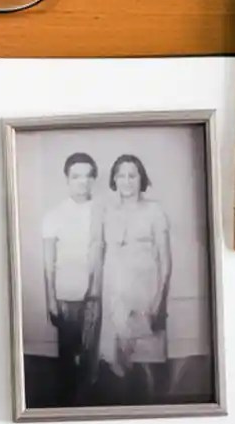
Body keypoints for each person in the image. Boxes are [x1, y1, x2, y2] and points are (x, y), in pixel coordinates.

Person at [97, 154, 172, 405]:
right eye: (121, 175)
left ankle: (154, 414)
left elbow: (165, 260)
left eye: (133, 174)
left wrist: (159, 299)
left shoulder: (155, 210)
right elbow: (100, 253)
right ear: (114, 180)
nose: (127, 181)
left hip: (145, 290)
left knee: (146, 358)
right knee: (116, 360)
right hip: (114, 289)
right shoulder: (107, 212)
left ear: (142, 179)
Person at [41, 152, 102, 407]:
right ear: (67, 179)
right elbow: (48, 263)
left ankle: (89, 407)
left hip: (97, 294)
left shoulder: (102, 212)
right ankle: (66, 407)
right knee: (68, 356)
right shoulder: (54, 215)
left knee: (91, 358)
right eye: (76, 176)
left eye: (88, 176)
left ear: (94, 180)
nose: (82, 182)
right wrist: (51, 300)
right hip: (66, 295)